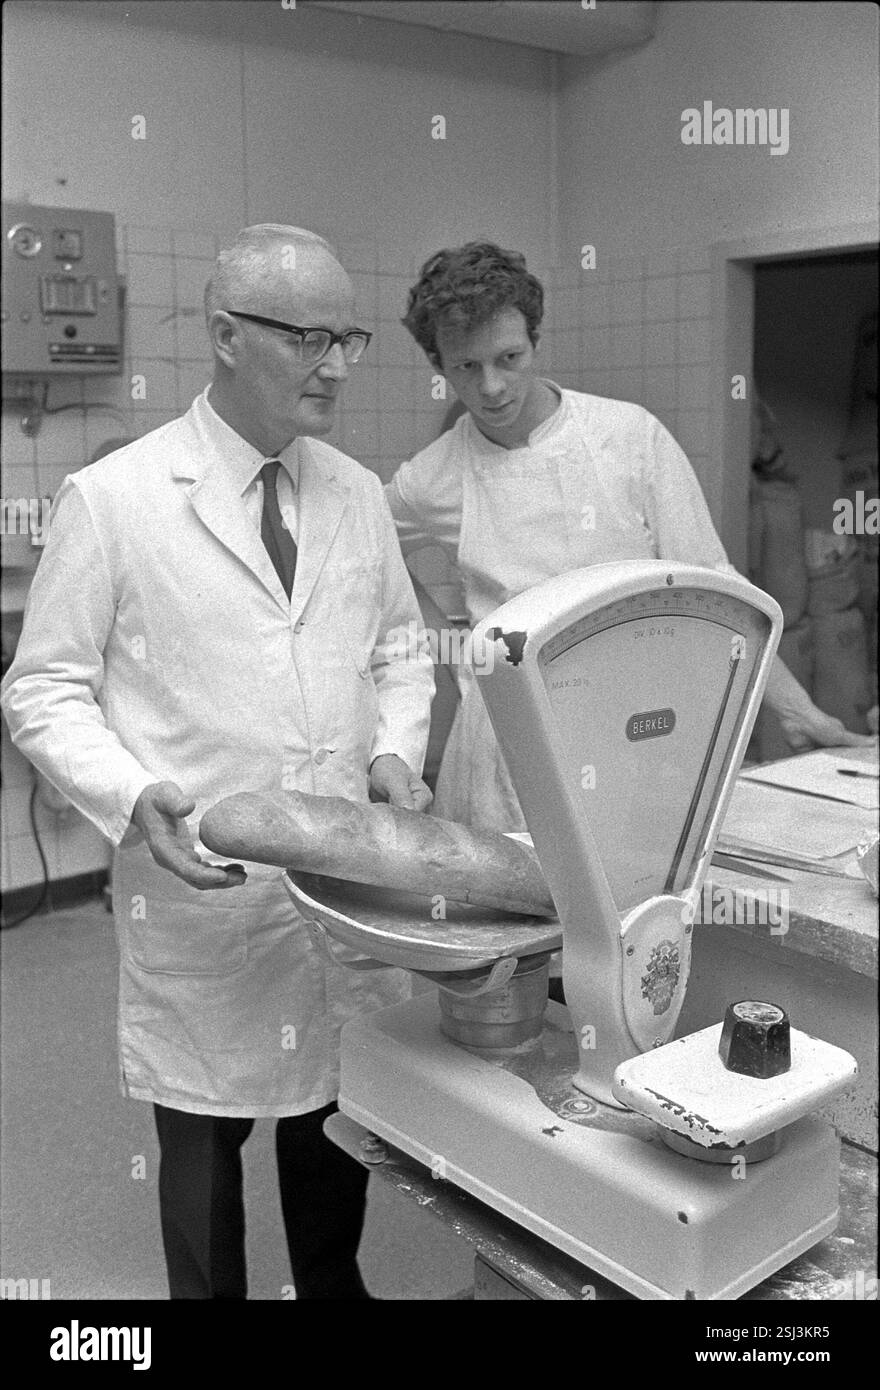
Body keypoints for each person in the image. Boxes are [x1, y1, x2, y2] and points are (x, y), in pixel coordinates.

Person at [1, 224, 434, 1299]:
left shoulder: (356, 493)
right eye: (309, 337)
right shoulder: (119, 500)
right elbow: (41, 687)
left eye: (350, 336)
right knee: (203, 1132)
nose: (336, 363)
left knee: (332, 1110)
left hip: (335, 871)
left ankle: (333, 1289)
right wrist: (132, 791)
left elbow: (400, 646)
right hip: (199, 878)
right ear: (226, 336)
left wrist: (392, 747)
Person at [385, 241, 872, 832]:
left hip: (637, 721)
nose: (491, 387)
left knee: (638, 902)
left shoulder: (629, 438)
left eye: (509, 357)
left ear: (535, 339)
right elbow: (374, 554)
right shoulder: (430, 478)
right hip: (508, 738)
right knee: (512, 913)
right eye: (466, 366)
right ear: (439, 365)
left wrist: (799, 711)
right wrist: (453, 641)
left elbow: (716, 586)